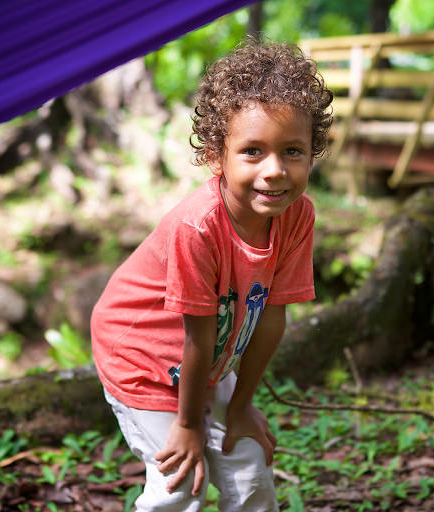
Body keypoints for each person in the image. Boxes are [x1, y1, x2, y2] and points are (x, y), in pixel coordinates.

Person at [91, 39, 333, 511]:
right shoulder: (197, 227)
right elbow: (196, 337)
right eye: (252, 152)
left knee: (249, 469)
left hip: (204, 361)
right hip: (142, 357)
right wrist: (188, 424)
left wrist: (240, 406)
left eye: (293, 151)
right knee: (182, 484)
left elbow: (270, 319)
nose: (275, 171)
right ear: (216, 156)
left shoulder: (297, 217)